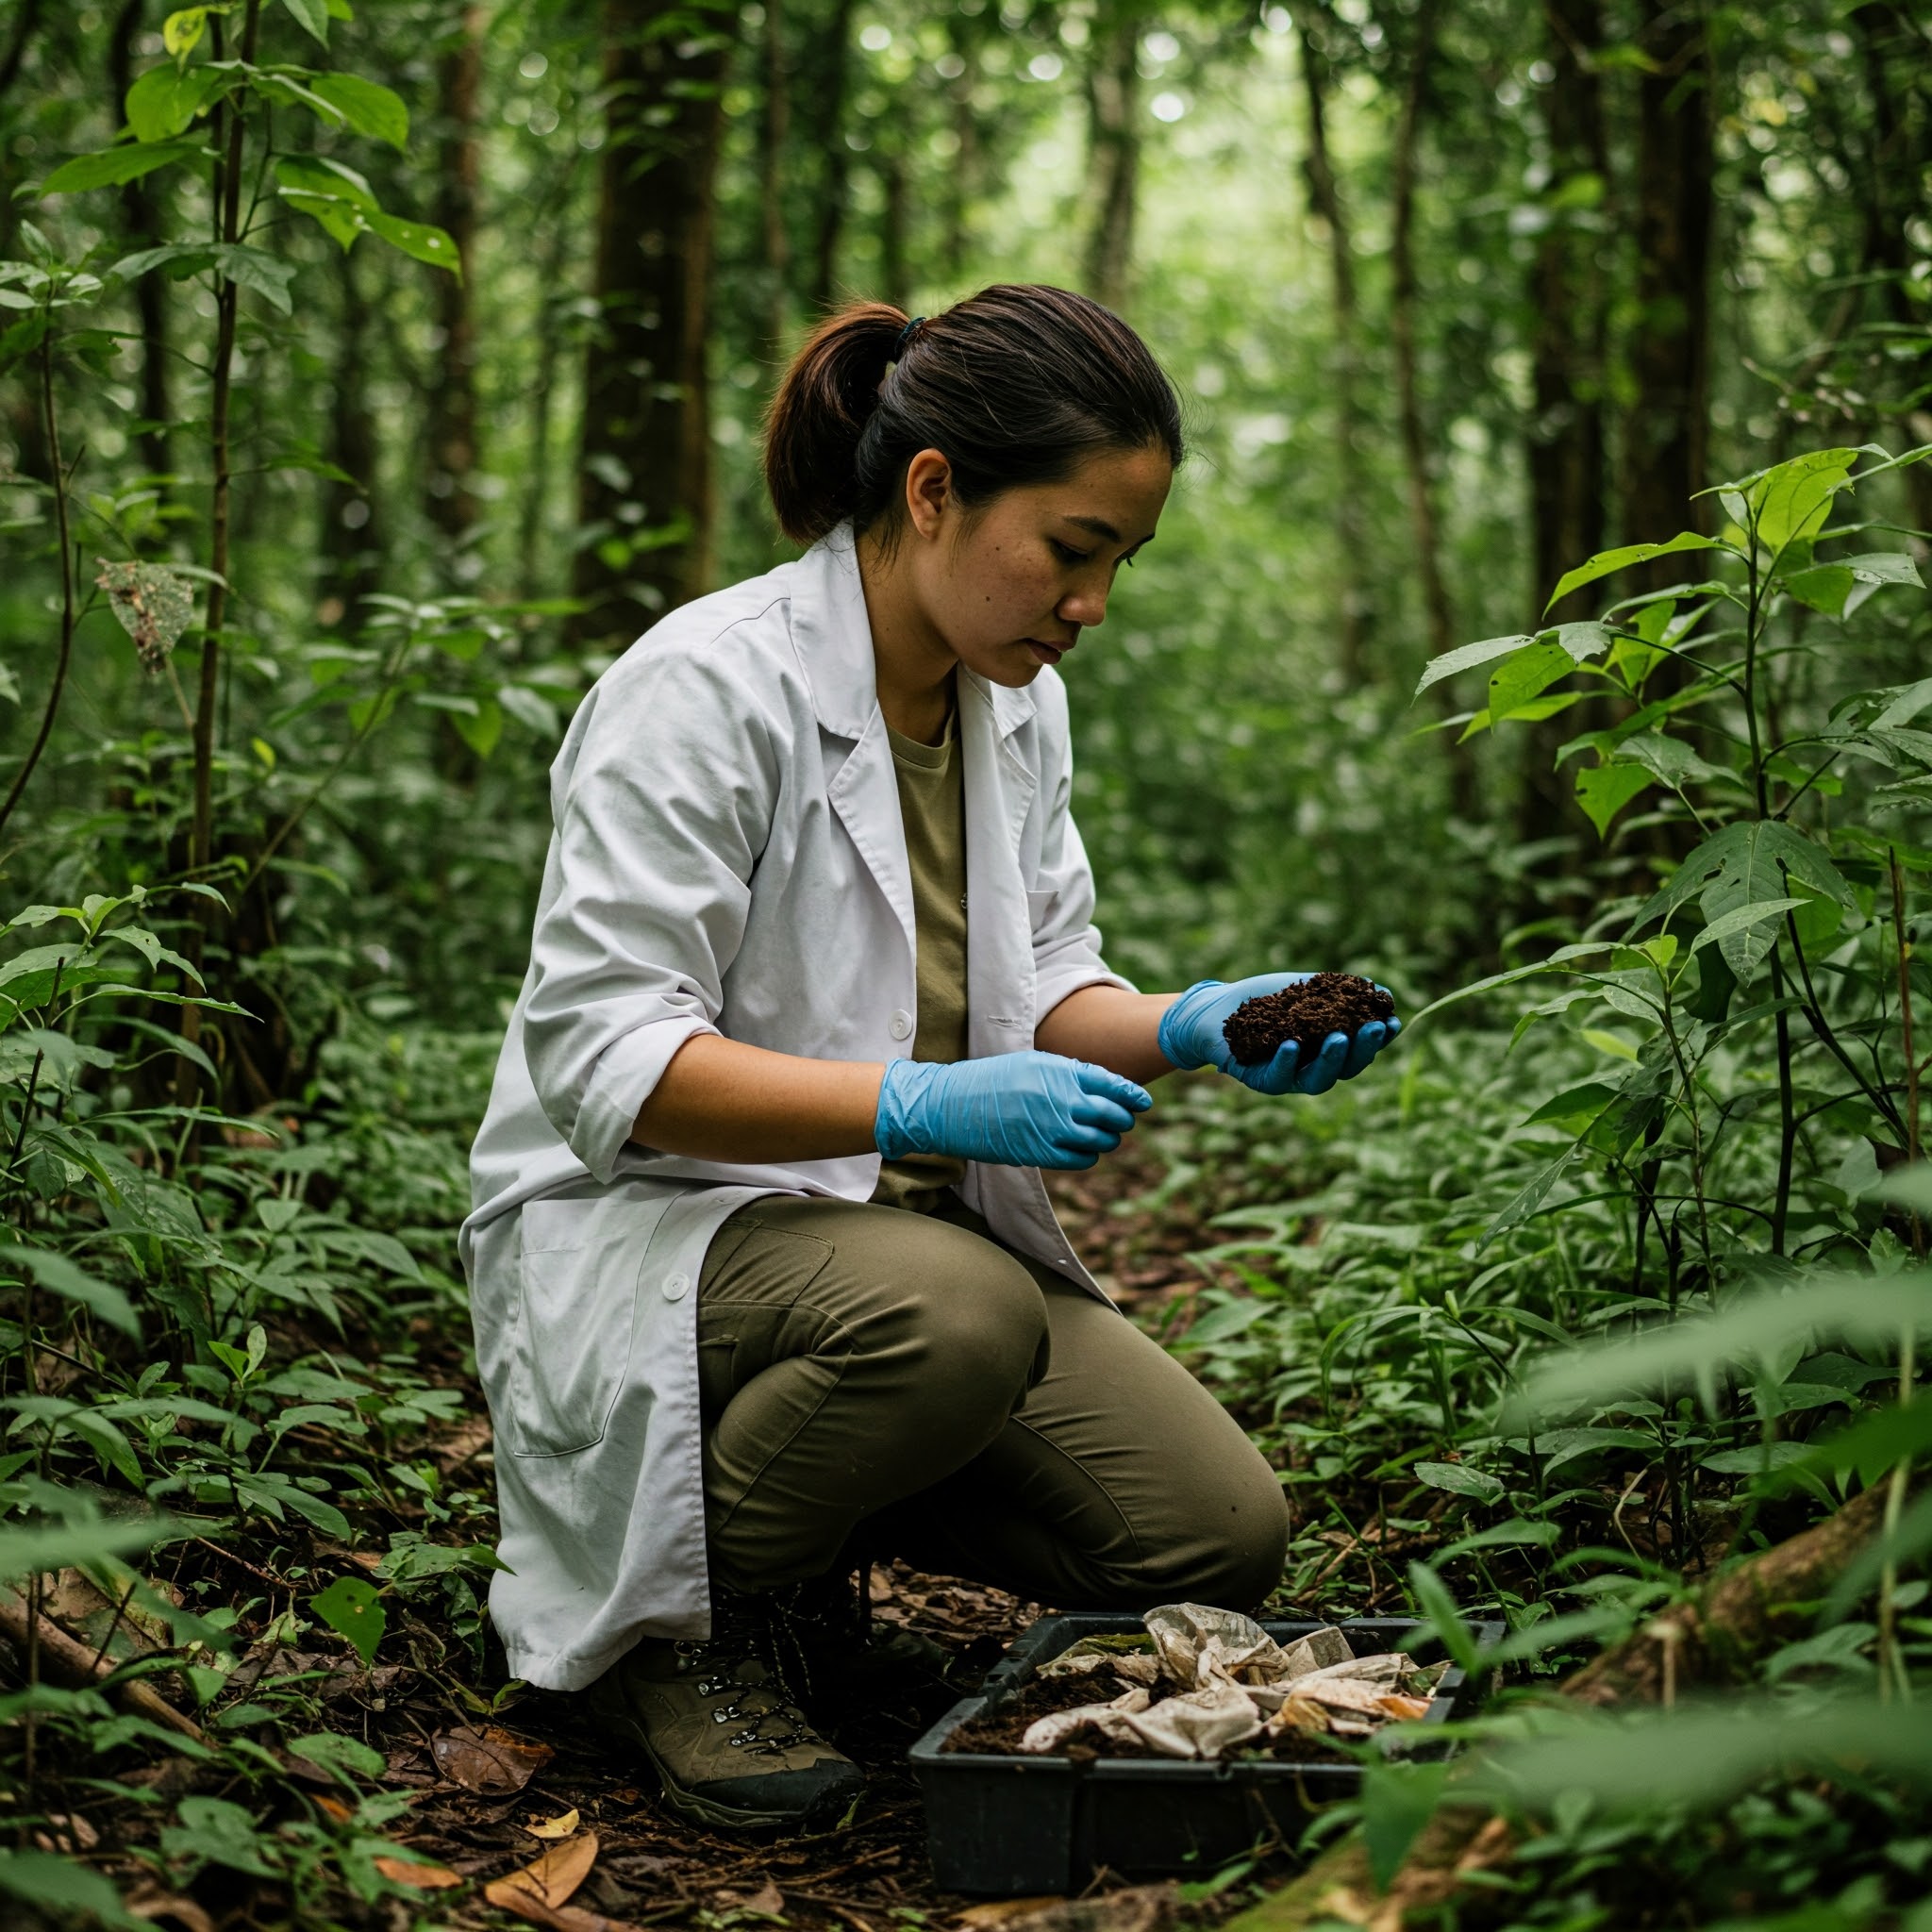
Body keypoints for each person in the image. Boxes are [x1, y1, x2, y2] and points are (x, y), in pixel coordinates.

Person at [459, 285, 1401, 1835]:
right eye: (1076, 547)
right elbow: (604, 1061)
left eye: (1123, 562)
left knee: (1208, 1534)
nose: (1092, 600)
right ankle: (675, 1637)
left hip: (886, 1262)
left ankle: (806, 1544)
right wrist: (913, 1102)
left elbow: (1045, 985)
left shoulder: (1014, 707)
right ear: (931, 490)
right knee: (955, 1313)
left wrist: (1191, 1028)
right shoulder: (705, 687)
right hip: (659, 1228)